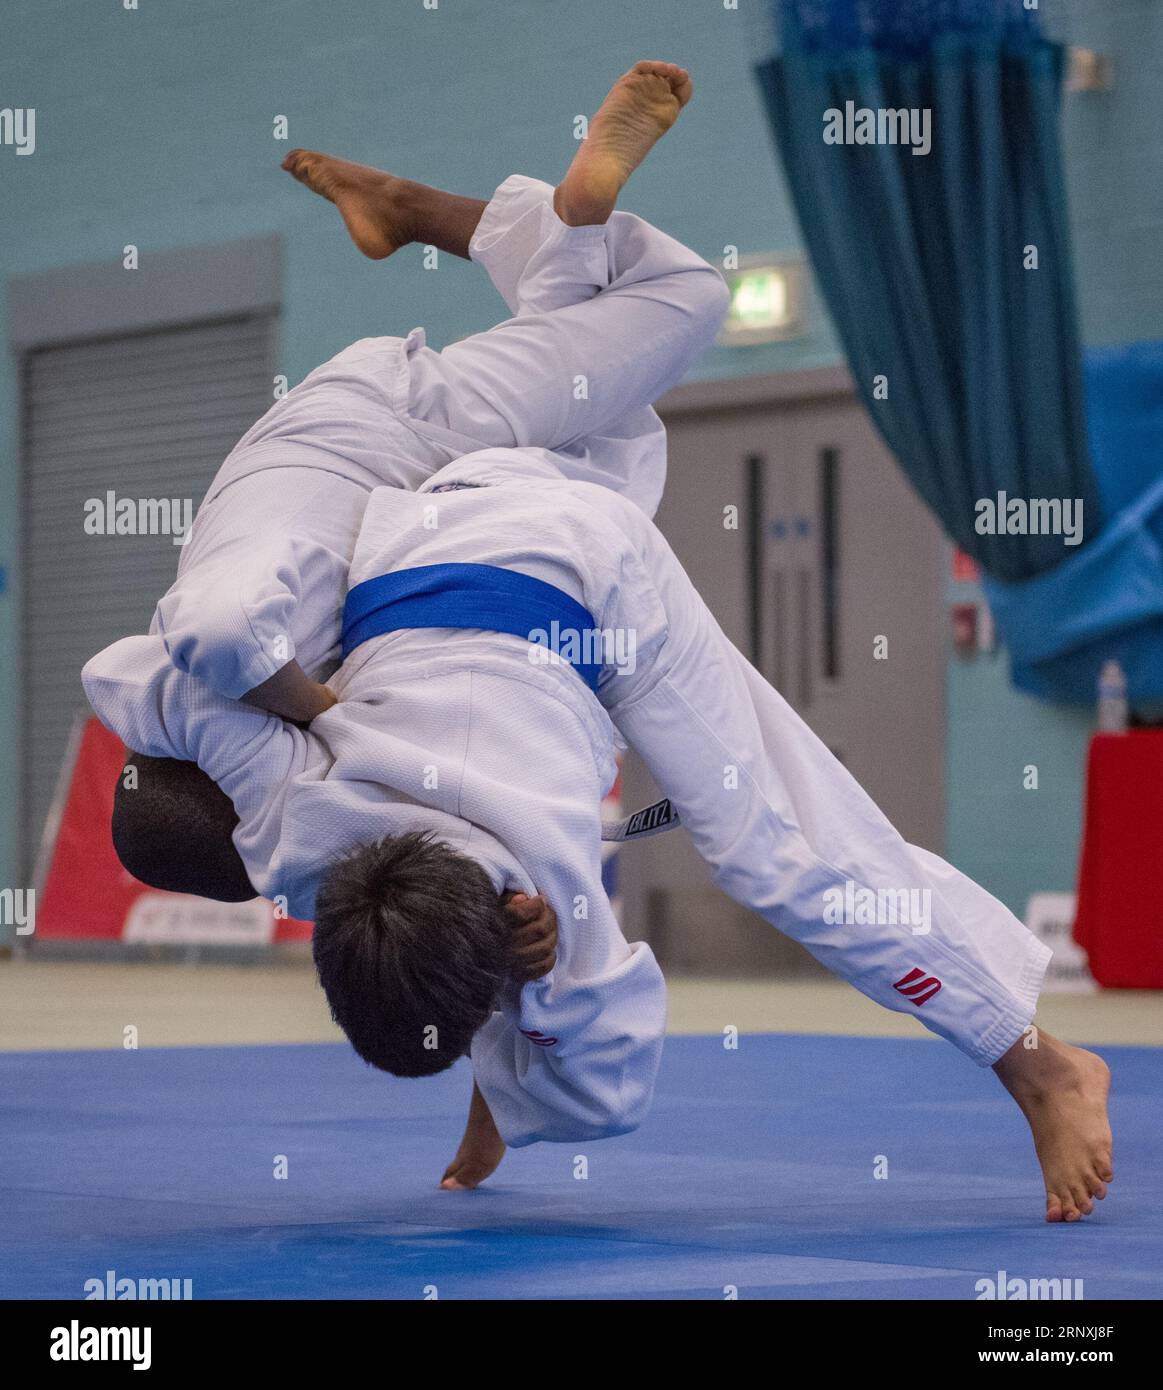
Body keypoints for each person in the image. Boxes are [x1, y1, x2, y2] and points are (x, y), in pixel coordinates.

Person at [86, 65, 1113, 1221]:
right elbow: (143, 680)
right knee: (666, 309)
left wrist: (537, 997)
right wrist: (323, 717)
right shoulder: (290, 817)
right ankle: (501, 223)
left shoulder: (533, 896)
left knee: (780, 848)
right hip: (445, 509)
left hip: (544, 554)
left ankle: (1039, 1062)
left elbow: (610, 1086)